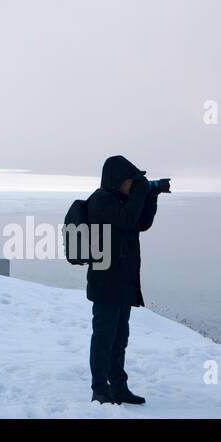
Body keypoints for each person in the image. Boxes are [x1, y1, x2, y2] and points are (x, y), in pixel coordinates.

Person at [85, 155, 170, 405]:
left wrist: (151, 195)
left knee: (120, 339)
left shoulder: (121, 200)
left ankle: (119, 388)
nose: (133, 185)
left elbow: (142, 223)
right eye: (130, 181)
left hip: (122, 282)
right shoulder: (101, 201)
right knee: (103, 338)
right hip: (105, 283)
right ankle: (99, 389)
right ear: (116, 180)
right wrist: (142, 191)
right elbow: (128, 219)